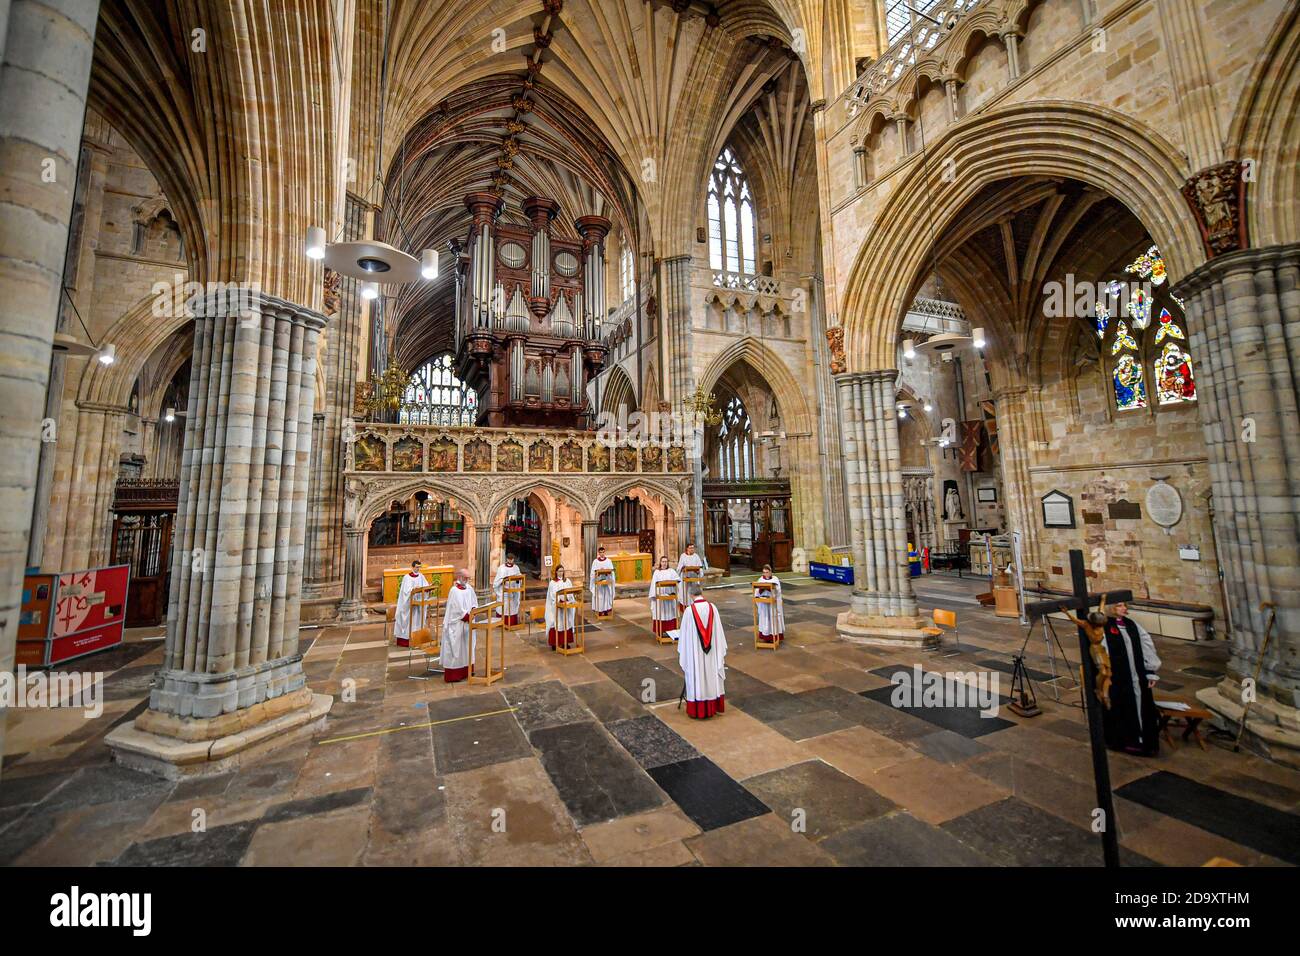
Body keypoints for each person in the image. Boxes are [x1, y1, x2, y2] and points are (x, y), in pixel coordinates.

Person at [1101, 601, 1162, 756]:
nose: (1124, 608)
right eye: (1120, 606)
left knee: (1143, 706)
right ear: (1111, 608)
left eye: (1124, 605)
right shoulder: (1105, 627)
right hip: (1119, 677)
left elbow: (1147, 644)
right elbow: (1102, 651)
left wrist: (1150, 669)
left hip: (1138, 674)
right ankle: (1124, 741)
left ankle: (1144, 741)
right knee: (1122, 706)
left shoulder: (1132, 625)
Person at [677, 583, 727, 719]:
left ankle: (697, 709)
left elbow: (684, 637)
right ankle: (713, 705)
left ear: (691, 595)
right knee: (711, 676)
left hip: (696, 655)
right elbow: (719, 634)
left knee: (697, 676)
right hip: (711, 654)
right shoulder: (713, 609)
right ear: (701, 592)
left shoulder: (689, 612)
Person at [440, 567, 478, 683]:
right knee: (455, 649)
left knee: (467, 647)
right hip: (456, 624)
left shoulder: (469, 588)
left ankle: (467, 670)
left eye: (468, 578)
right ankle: (454, 675)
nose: (467, 580)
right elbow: (456, 608)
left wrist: (474, 610)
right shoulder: (454, 591)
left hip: (467, 623)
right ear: (459, 577)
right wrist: (467, 616)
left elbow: (474, 601)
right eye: (465, 578)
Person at [393, 559, 428, 648]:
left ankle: (417, 638)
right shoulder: (407, 577)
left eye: (419, 567)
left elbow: (426, 586)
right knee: (408, 620)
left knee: (417, 620)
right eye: (416, 567)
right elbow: (405, 592)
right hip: (409, 605)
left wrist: (427, 589)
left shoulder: (421, 576)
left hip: (418, 604)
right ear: (412, 567)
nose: (418, 569)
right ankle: (406, 640)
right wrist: (414, 590)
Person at [544, 565, 577, 650]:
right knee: (556, 623)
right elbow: (552, 595)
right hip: (556, 607)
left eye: (562, 571)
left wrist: (567, 598)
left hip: (566, 606)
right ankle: (555, 643)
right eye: (559, 571)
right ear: (556, 572)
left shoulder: (567, 581)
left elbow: (570, 592)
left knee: (566, 623)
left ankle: (565, 642)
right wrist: (560, 599)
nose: (561, 573)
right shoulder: (552, 582)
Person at [649, 555, 680, 639]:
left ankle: (672, 631)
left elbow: (678, 580)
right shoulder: (657, 572)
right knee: (661, 614)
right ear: (660, 563)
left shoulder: (672, 571)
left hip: (670, 597)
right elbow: (653, 585)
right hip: (660, 598)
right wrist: (654, 596)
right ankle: (660, 631)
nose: (664, 563)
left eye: (666, 562)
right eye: (663, 562)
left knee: (670, 613)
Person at [753, 564, 785, 646]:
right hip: (764, 603)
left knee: (773, 618)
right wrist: (760, 590)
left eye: (767, 572)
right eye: (764, 572)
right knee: (765, 618)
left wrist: (770, 588)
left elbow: (778, 591)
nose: (765, 574)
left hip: (773, 604)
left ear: (770, 572)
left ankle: (775, 636)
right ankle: (766, 637)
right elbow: (756, 591)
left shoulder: (775, 579)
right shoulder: (760, 580)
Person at [492, 553, 522, 626]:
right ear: (507, 559)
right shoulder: (501, 568)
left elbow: (520, 578)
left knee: (512, 607)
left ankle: (512, 623)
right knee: (504, 607)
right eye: (509, 559)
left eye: (512, 559)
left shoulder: (516, 567)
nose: (510, 560)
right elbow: (497, 581)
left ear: (513, 559)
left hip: (513, 591)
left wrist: (518, 580)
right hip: (504, 592)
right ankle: (502, 623)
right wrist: (504, 580)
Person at [676, 543, 705, 617]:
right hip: (685, 579)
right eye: (690, 548)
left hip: (694, 579)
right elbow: (679, 568)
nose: (692, 549)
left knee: (693, 594)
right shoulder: (683, 556)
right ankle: (685, 610)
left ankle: (694, 609)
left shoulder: (696, 556)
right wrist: (683, 569)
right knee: (685, 595)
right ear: (687, 549)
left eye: (693, 548)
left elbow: (700, 567)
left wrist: (699, 571)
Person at [589, 546, 616, 618]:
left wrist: (607, 572)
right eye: (600, 552)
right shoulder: (595, 561)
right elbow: (592, 573)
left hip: (606, 582)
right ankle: (600, 611)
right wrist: (598, 572)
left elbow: (612, 571)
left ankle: (606, 610)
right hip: (599, 582)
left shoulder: (608, 561)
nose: (602, 554)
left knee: (606, 596)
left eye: (603, 552)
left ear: (605, 552)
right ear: (598, 553)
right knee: (600, 597)